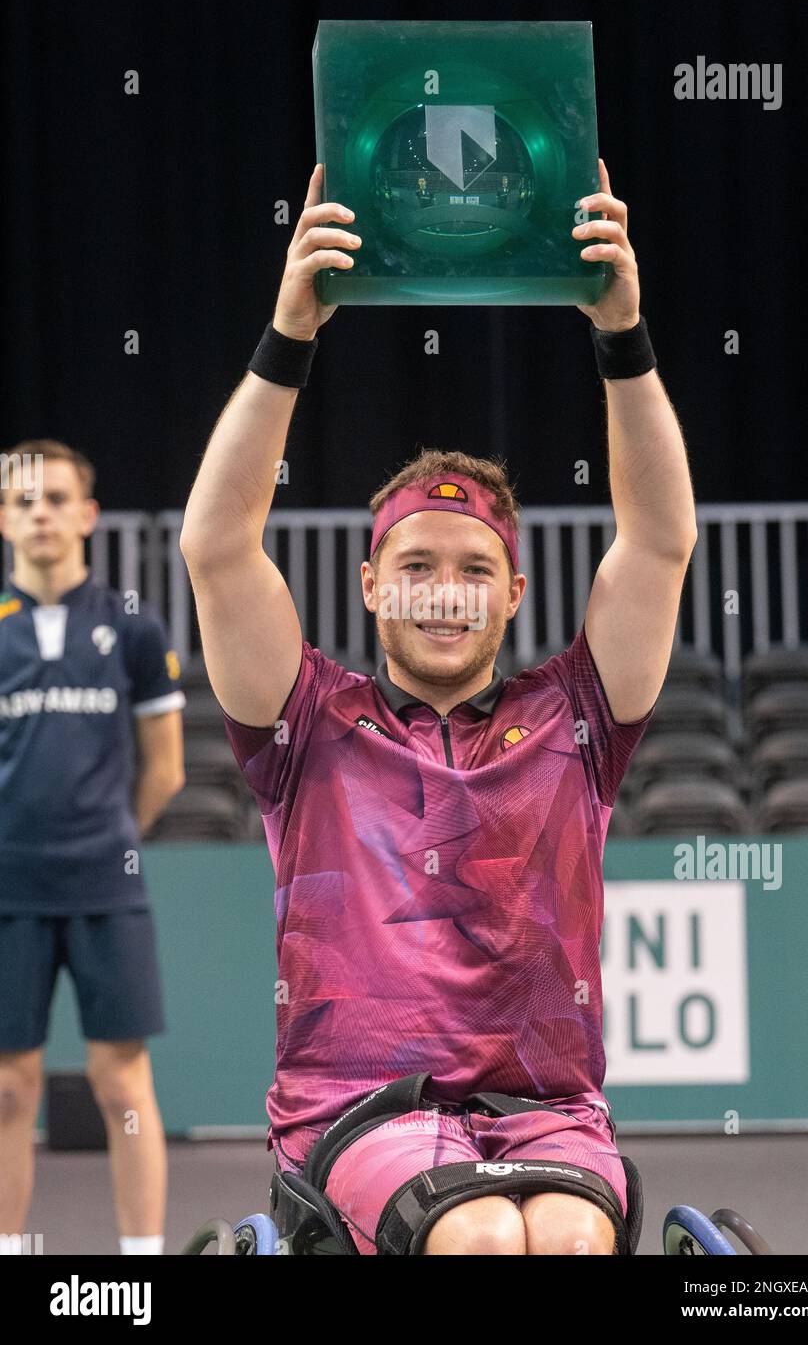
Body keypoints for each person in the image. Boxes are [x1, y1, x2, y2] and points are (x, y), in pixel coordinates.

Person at [180, 160, 697, 1255]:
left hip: (547, 1109)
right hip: (358, 1110)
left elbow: (658, 540)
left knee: (558, 1237)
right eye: (415, 562)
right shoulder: (305, 721)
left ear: (513, 591)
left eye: (473, 566)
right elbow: (216, 546)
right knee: (476, 1240)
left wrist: (622, 334)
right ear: (369, 583)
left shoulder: (577, 719)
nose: (442, 588)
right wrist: (288, 338)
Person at [0, 440, 186, 1256]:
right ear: (5, 518)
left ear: (86, 514)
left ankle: (140, 1264)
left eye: (54, 498)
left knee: (122, 1083)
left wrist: (108, 842)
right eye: (21, 501)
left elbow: (168, 770)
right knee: (10, 1090)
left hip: (108, 887)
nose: (38, 512)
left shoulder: (134, 629)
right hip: (8, 891)